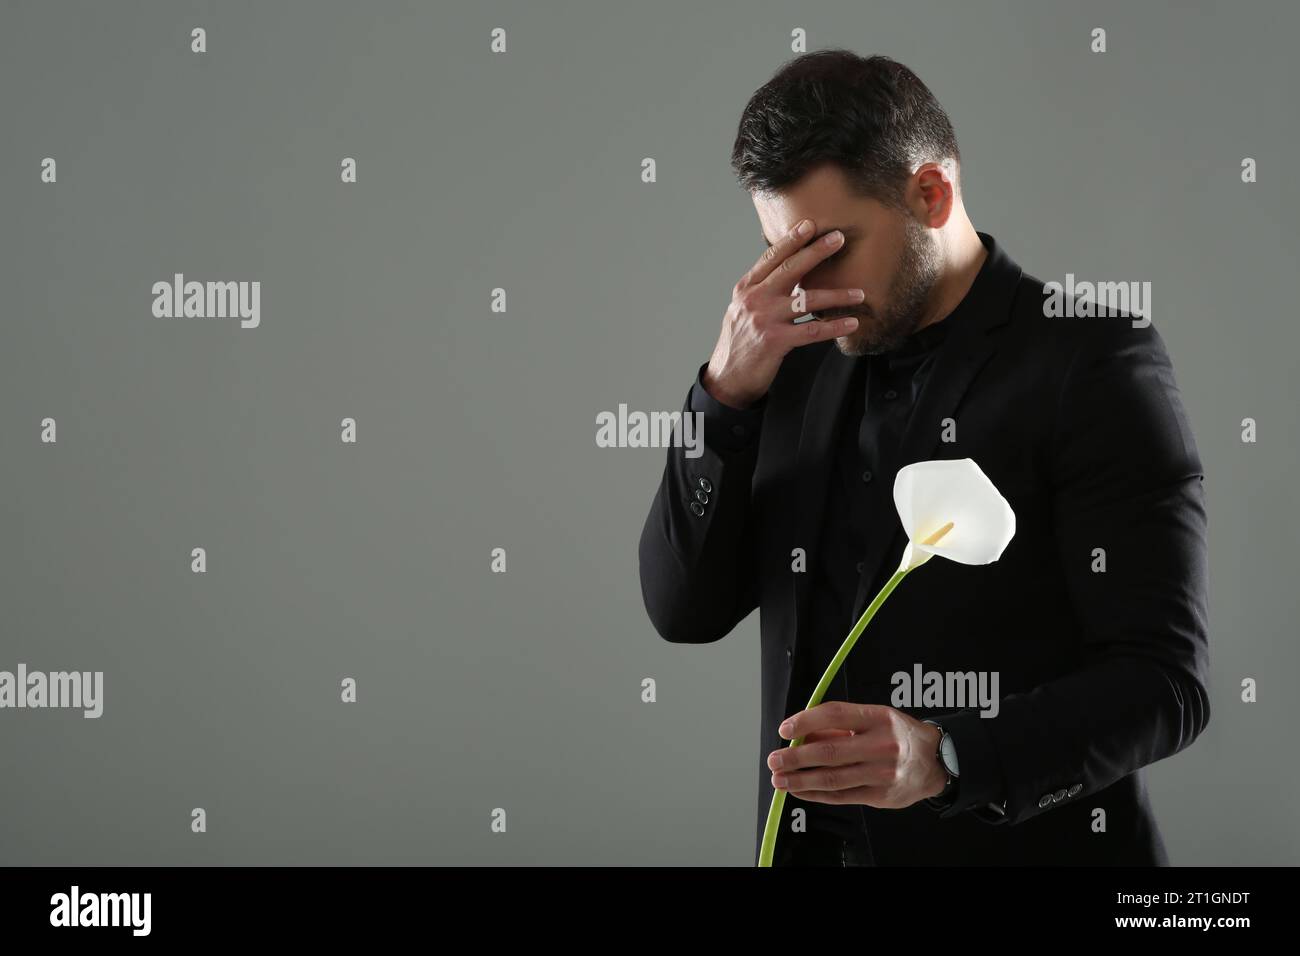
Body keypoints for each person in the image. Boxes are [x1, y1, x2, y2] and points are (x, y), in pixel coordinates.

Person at [637, 50, 1210, 866]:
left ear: (931, 193)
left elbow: (1166, 685)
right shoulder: (784, 356)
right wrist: (722, 396)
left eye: (830, 249)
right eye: (779, 252)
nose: (800, 288)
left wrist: (946, 758)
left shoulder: (1095, 363)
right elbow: (681, 611)